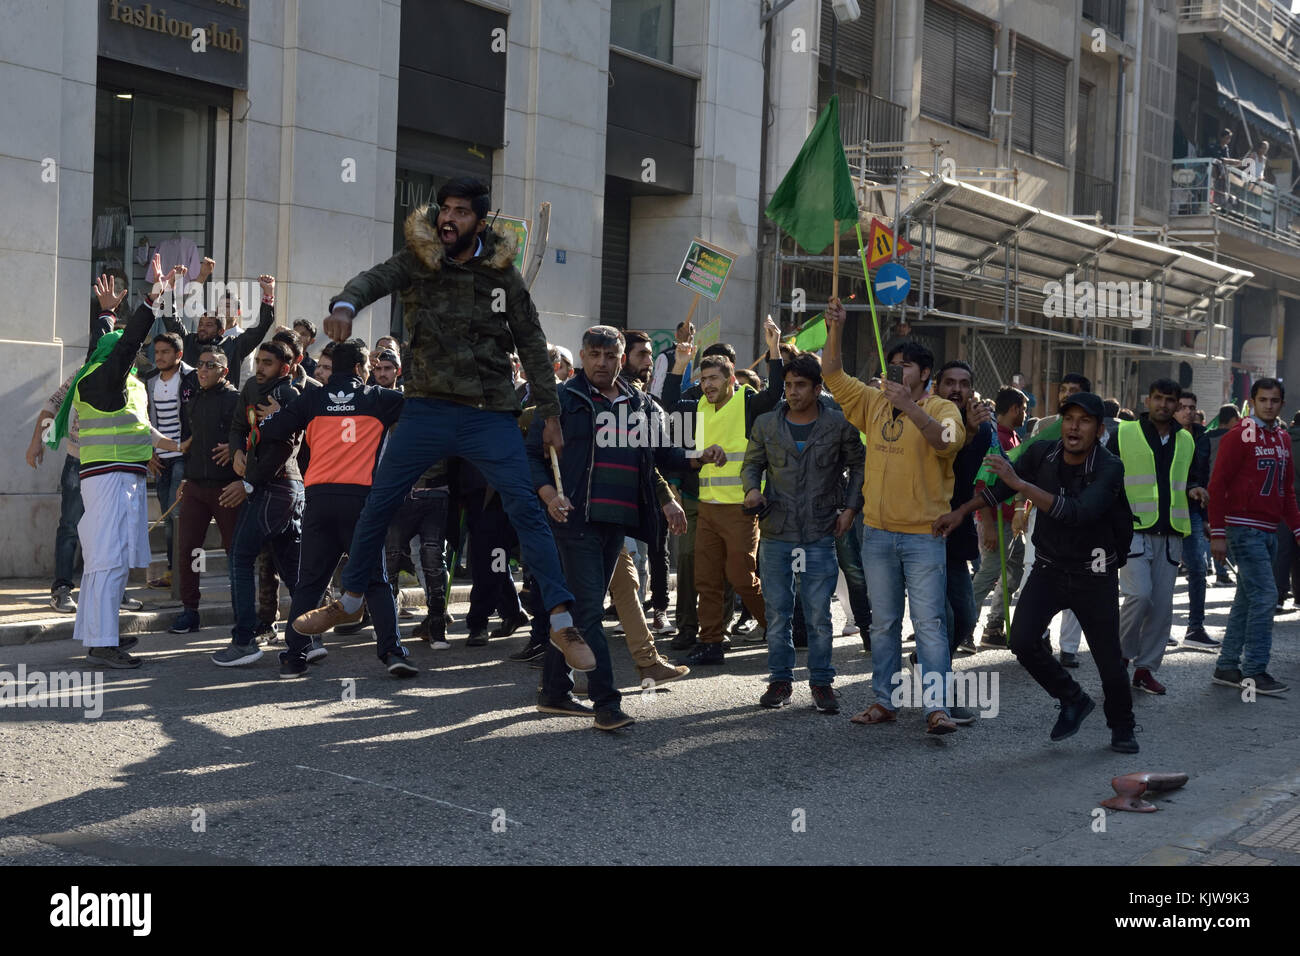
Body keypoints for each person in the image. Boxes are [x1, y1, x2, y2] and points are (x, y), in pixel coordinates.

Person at [296, 177, 594, 674]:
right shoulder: (419, 259)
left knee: (525, 506)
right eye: (444, 210)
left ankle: (562, 618)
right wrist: (345, 306)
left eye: (460, 211)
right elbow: (371, 280)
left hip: (489, 413)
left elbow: (533, 345)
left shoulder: (504, 277)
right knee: (381, 498)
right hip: (428, 409)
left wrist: (550, 414)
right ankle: (350, 600)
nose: (449, 219)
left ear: (481, 219)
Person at [935, 392, 1139, 753]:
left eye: (1085, 420)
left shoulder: (1109, 467)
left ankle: (1122, 726)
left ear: (1099, 429)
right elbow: (999, 489)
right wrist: (962, 511)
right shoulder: (1041, 453)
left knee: (1108, 660)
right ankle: (1072, 698)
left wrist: (1022, 486)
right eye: (1069, 418)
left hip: (1094, 573)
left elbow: (1078, 512)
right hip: (1050, 566)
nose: (1075, 426)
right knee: (1023, 640)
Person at [527, 326, 686, 729]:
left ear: (621, 357)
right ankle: (606, 704)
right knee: (589, 612)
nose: (602, 363)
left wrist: (702, 457)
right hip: (574, 518)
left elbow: (662, 457)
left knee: (582, 611)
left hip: (619, 521)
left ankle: (553, 692)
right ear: (582, 356)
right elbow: (529, 458)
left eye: (610, 355)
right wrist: (550, 496)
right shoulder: (561, 400)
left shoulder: (640, 404)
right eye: (594, 355)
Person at [822, 299, 964, 735]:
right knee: (882, 625)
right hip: (878, 535)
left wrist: (913, 406)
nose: (894, 372)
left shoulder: (943, 409)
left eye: (903, 366)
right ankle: (884, 701)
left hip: (924, 537)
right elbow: (832, 375)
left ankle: (936, 708)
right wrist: (836, 329)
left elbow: (946, 443)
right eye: (892, 365)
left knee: (929, 626)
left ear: (923, 373)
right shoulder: (873, 402)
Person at [256, 339, 413, 677]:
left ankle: (293, 658)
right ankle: (392, 654)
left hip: (318, 501)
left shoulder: (311, 398)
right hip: (361, 504)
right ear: (360, 369)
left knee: (310, 581)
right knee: (375, 581)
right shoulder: (381, 399)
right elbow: (424, 412)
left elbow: (271, 430)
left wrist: (275, 418)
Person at [55, 265, 184, 668]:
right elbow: (122, 345)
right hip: (107, 479)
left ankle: (100, 635)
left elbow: (109, 343)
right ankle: (101, 643)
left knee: (106, 561)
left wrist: (105, 314)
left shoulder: (115, 380)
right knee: (107, 561)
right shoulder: (101, 378)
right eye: (130, 354)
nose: (138, 358)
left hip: (119, 477)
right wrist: (150, 301)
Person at [742, 351, 863, 712]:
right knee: (778, 613)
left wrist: (851, 509)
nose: (792, 392)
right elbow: (752, 464)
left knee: (818, 614)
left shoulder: (838, 425)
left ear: (817, 388)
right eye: (788, 385)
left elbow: (859, 465)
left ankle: (822, 682)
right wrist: (750, 489)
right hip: (777, 530)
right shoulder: (765, 424)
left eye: (800, 386)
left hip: (820, 529)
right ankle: (780, 681)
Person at [661, 319, 786, 666]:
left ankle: (777, 631)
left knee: (742, 579)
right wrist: (681, 365)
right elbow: (668, 405)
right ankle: (712, 642)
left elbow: (776, 393)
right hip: (708, 507)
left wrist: (774, 348)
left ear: (731, 379)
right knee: (706, 580)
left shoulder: (748, 401)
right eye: (703, 380)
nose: (706, 386)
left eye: (713, 379)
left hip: (741, 510)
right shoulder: (697, 405)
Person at [211, 281, 306, 667]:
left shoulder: (289, 396)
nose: (259, 368)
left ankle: (245, 640)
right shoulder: (251, 387)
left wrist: (248, 481)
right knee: (288, 564)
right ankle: (309, 639)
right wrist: (236, 452)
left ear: (286, 368)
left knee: (240, 556)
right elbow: (238, 425)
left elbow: (286, 446)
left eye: (268, 364)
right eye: (258, 362)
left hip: (279, 487)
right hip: (264, 485)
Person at [1106, 379, 1204, 696]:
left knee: (1162, 608)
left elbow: (1191, 478)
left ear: (1177, 404)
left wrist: (1195, 488)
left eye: (1169, 400)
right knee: (1139, 596)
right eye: (1158, 398)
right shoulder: (1125, 433)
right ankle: (1120, 657)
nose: (1163, 404)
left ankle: (1145, 669)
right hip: (1132, 528)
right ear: (1147, 400)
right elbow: (1105, 476)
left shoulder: (1187, 440)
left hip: (1172, 532)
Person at [1208, 378, 1298, 697]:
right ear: (1253, 401)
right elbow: (1217, 485)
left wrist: (1297, 528)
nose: (1269, 405)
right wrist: (1217, 532)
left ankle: (1228, 665)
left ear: (1281, 403)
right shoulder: (1239, 436)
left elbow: (1286, 491)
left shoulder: (1283, 439)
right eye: (1263, 400)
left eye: (1275, 400)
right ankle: (1255, 671)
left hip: (1269, 530)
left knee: (1247, 599)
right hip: (1243, 528)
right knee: (1265, 596)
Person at [169, 348, 242, 634]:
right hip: (196, 486)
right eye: (200, 365)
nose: (202, 370)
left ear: (223, 371)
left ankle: (242, 614)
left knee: (234, 552)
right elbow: (192, 442)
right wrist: (185, 479)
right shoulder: (193, 399)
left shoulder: (236, 399)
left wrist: (237, 447)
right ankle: (190, 611)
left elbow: (256, 434)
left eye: (210, 366)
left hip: (228, 488)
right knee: (189, 549)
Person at [620, 329, 674, 634]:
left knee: (651, 553)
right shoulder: (611, 399)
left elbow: (660, 455)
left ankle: (650, 615)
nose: (650, 361)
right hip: (615, 497)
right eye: (643, 354)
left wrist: (694, 459)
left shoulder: (651, 404)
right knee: (629, 557)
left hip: (650, 495)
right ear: (624, 357)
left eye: (651, 354)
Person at [969, 386, 1027, 653]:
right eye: (1024, 409)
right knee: (987, 575)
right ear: (1014, 409)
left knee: (1014, 571)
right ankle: (962, 628)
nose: (1026, 414)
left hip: (1013, 523)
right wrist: (988, 524)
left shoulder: (1014, 437)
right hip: (996, 521)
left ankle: (994, 627)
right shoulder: (995, 440)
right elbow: (982, 484)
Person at [142, 332, 198, 589]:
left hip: (184, 457)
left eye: (165, 352)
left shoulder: (192, 378)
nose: (159, 357)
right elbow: (144, 421)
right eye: (157, 352)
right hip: (160, 459)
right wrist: (149, 454)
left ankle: (180, 573)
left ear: (179, 354)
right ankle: (174, 571)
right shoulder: (150, 380)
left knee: (177, 516)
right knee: (167, 519)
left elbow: (197, 417)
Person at [1174, 391, 1219, 652]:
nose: (1187, 411)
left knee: (1198, 569)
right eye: (1182, 407)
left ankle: (1195, 627)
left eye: (1191, 407)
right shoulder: (1162, 435)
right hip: (1163, 510)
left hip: (1191, 508)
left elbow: (1203, 476)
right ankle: (1157, 628)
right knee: (1164, 575)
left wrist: (1205, 518)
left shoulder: (1202, 437)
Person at [1206, 404, 1241, 584]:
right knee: (1225, 531)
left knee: (1211, 529)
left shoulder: (1206, 437)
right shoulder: (1233, 438)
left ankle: (1219, 570)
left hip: (1206, 489)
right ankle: (1222, 571)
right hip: (1226, 490)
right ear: (1233, 419)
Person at [649, 321, 695, 399]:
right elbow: (656, 387)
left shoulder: (695, 356)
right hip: (671, 405)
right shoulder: (665, 356)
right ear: (676, 335)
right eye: (682, 332)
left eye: (690, 334)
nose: (687, 336)